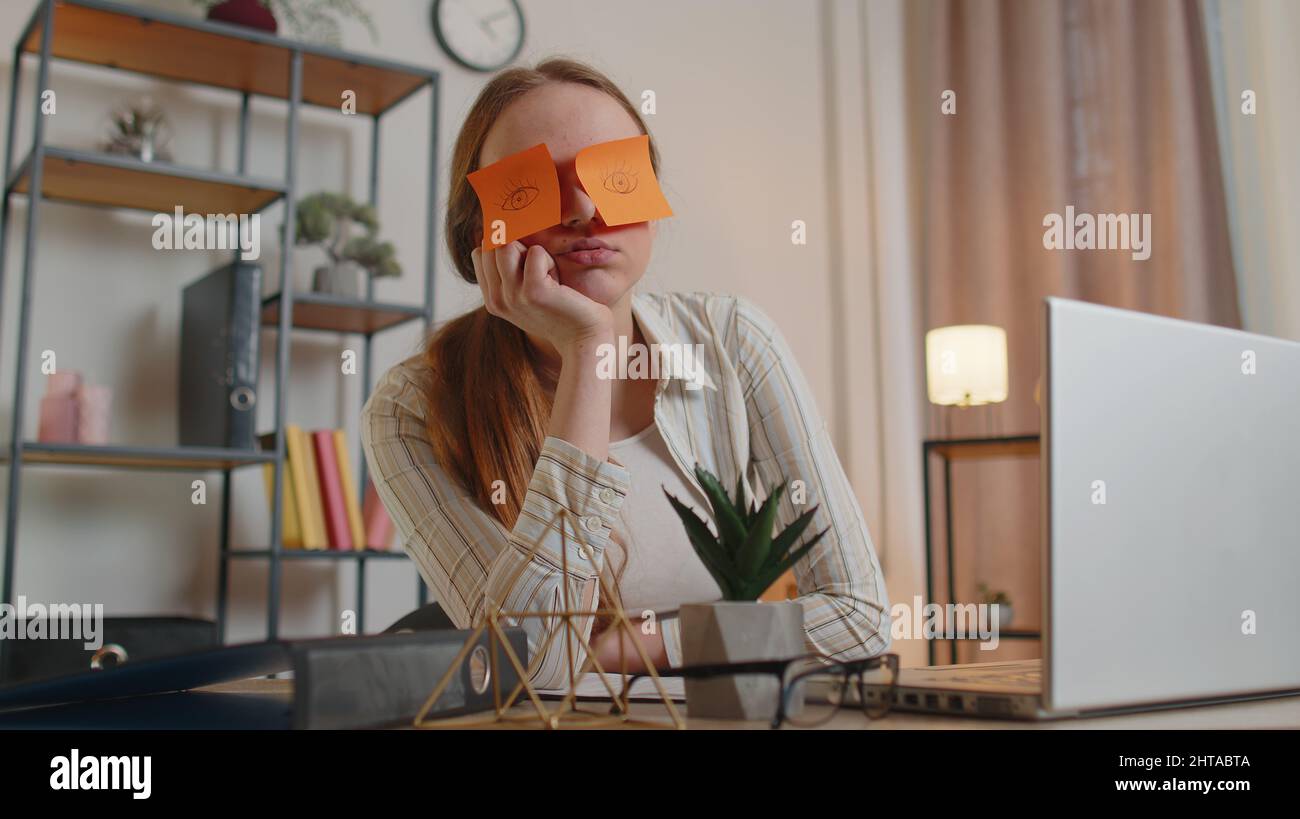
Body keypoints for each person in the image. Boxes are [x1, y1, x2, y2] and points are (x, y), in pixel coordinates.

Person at [361, 57, 889, 690]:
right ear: (481, 230)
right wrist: (588, 348)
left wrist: (642, 646)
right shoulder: (412, 408)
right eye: (533, 187)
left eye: (615, 175)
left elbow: (859, 617)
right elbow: (534, 665)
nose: (584, 209)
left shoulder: (734, 343)